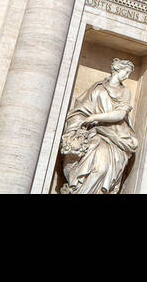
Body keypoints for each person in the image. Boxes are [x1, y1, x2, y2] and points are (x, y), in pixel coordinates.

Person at [59, 59, 140, 194]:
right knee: (89, 167)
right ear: (117, 70)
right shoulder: (97, 88)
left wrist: (95, 117)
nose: (127, 77)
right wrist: (79, 124)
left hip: (115, 137)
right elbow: (81, 109)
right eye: (125, 73)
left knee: (102, 168)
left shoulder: (125, 91)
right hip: (93, 133)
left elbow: (120, 114)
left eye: (129, 74)